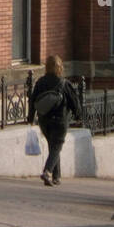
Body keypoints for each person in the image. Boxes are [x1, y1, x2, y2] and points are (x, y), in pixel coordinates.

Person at [27, 55, 79, 186]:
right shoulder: (64, 83)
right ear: (59, 67)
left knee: (53, 146)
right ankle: (48, 171)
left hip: (44, 120)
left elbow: (32, 100)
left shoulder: (40, 82)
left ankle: (57, 177)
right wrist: (79, 116)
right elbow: (75, 103)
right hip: (60, 121)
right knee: (57, 146)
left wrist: (30, 118)